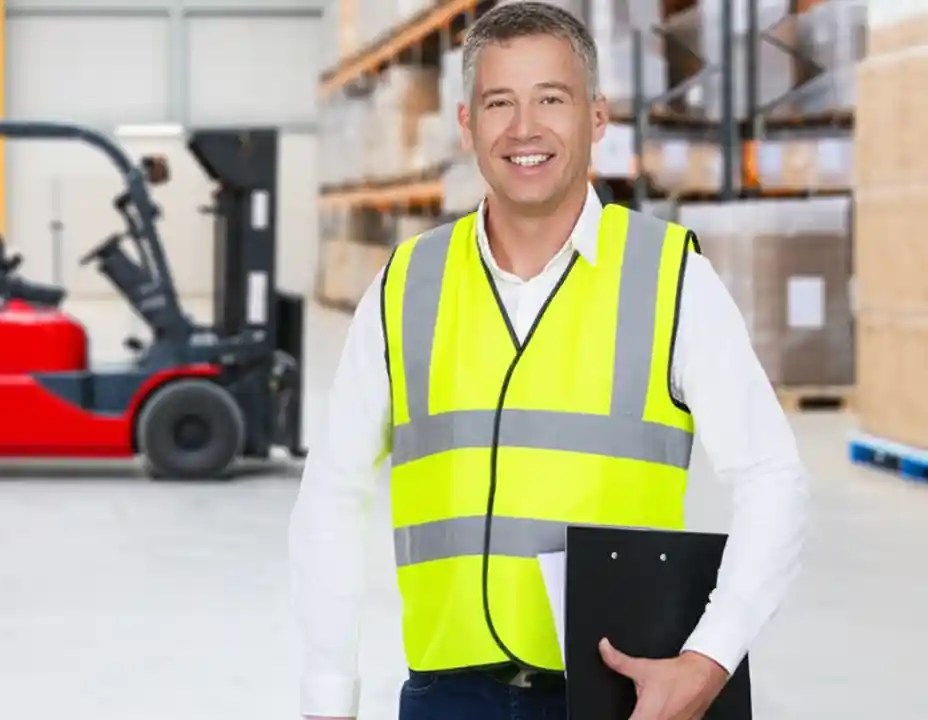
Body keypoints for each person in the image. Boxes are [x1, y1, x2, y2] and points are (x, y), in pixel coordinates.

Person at [288, 3, 810, 719]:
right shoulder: (406, 285)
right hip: (447, 696)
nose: (524, 129)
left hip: (619, 695)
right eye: (499, 103)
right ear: (467, 124)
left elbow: (773, 478)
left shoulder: (669, 278)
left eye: (551, 100)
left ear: (597, 118)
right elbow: (333, 492)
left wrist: (708, 659)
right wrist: (327, 696)